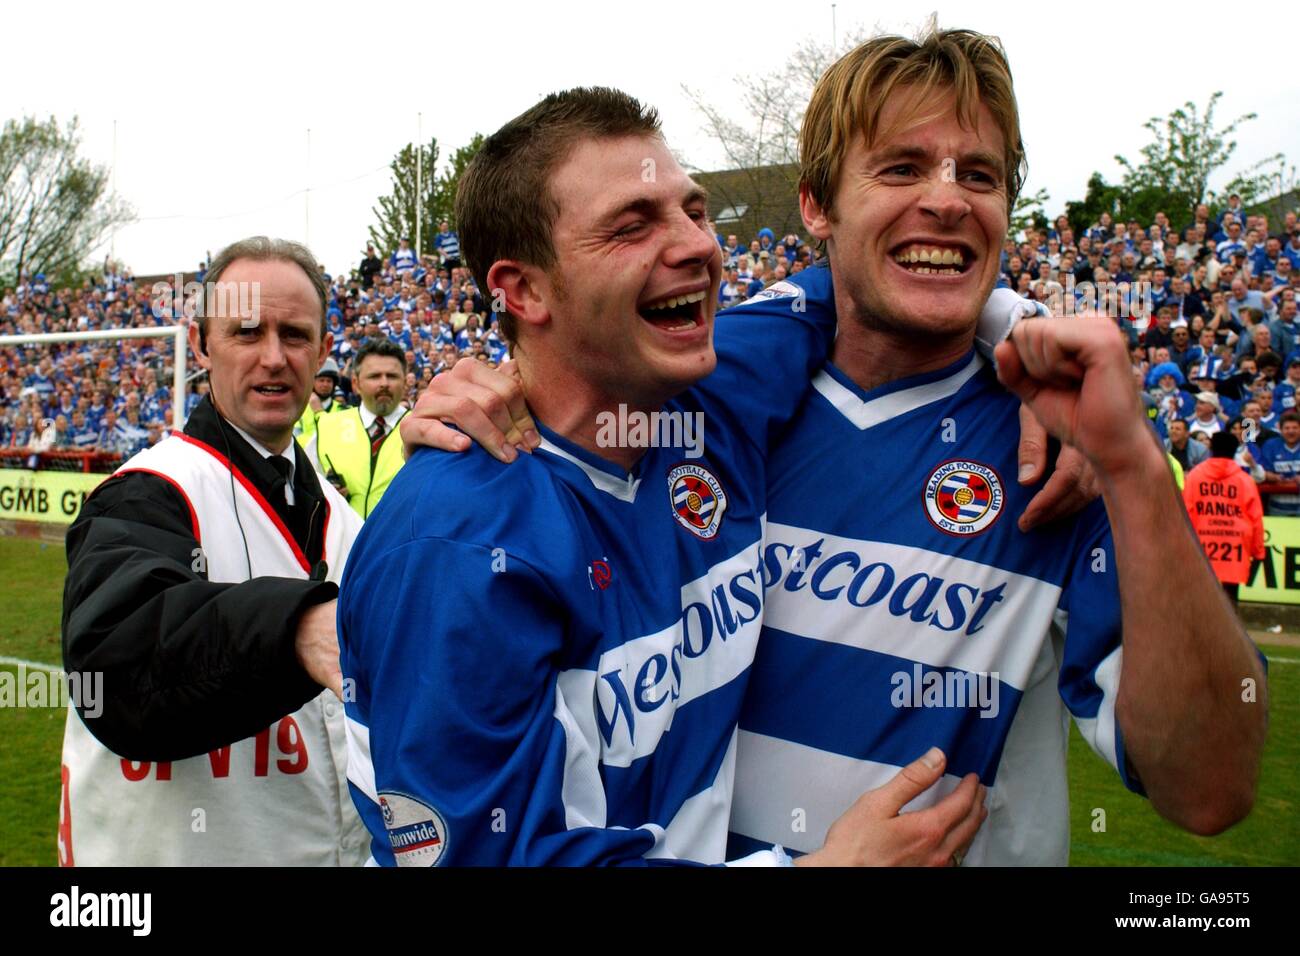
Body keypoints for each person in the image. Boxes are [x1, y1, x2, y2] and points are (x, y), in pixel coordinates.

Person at [424, 29, 1266, 866]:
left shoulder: (1060, 452)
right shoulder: (711, 395)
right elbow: (578, 367)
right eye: (901, 168)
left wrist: (1135, 469)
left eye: (981, 176)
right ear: (816, 206)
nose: (948, 199)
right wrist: (489, 385)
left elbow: (1210, 791)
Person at [338, 87, 1079, 868]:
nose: (697, 244)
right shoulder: (455, 545)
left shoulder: (715, 396)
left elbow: (862, 271)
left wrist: (1028, 332)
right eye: (632, 226)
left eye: (692, 212)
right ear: (521, 289)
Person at [59, 236, 368, 866]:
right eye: (247, 332)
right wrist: (296, 629)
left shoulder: (342, 517)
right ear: (201, 345)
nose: (275, 358)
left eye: (296, 335)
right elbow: (115, 664)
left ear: (324, 353)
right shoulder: (148, 491)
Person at [309, 337, 407, 518]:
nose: (384, 383)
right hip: (342, 543)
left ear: (405, 382)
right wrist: (324, 496)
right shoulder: (327, 428)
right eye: (374, 376)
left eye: (392, 376)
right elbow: (303, 492)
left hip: (400, 544)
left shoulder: (424, 431)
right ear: (356, 384)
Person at [1184, 430, 1266, 603]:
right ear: (1235, 450)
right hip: (1234, 545)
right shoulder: (1244, 480)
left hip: (1201, 543)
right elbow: (1256, 518)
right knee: (1230, 597)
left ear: (1211, 448)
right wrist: (1258, 552)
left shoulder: (1194, 476)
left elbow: (1186, 514)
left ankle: (1202, 629)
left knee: (1201, 597)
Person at [294, 356, 344, 447]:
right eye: (321, 380)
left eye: (329, 381)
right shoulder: (300, 409)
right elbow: (295, 438)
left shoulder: (344, 410)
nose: (325, 384)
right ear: (313, 383)